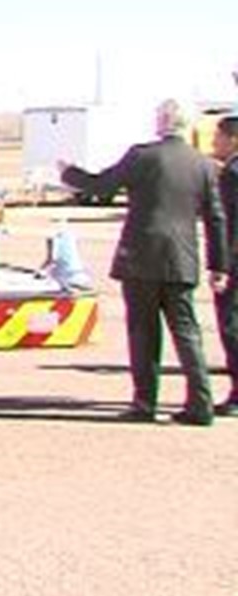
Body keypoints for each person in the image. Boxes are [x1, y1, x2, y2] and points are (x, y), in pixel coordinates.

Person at [61, 97, 228, 425]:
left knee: (143, 331)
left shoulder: (141, 156)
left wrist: (69, 173)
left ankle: (144, 402)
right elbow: (216, 219)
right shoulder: (204, 165)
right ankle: (200, 402)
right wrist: (218, 265)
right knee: (187, 332)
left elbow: (101, 185)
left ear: (161, 123)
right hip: (181, 258)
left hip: (140, 256)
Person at [211, 115, 238, 415]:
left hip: (235, 262)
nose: (214, 142)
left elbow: (228, 225)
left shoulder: (232, 174)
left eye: (218, 136)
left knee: (232, 326)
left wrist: (223, 266)